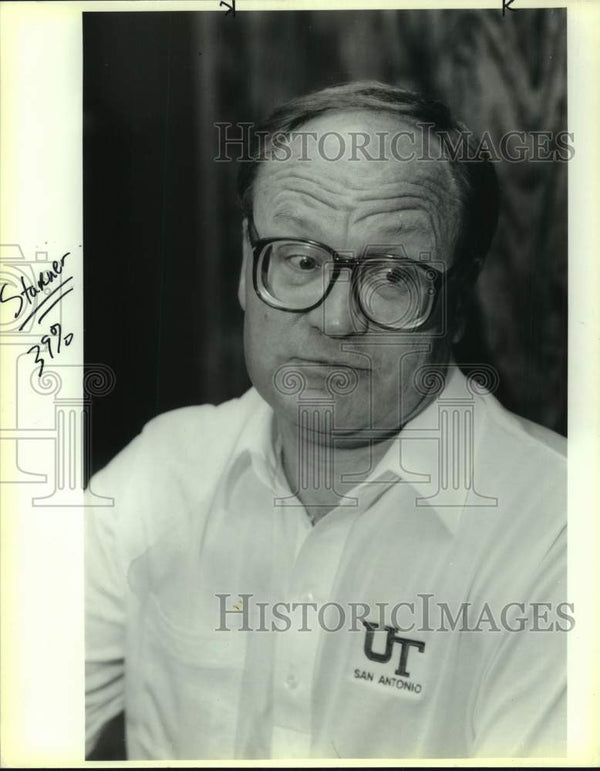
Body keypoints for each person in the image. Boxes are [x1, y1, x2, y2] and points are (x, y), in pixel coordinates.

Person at [85, 81, 567, 760]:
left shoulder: (559, 531)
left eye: (393, 275)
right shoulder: (160, 471)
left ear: (457, 303)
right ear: (248, 271)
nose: (336, 319)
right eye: (301, 260)